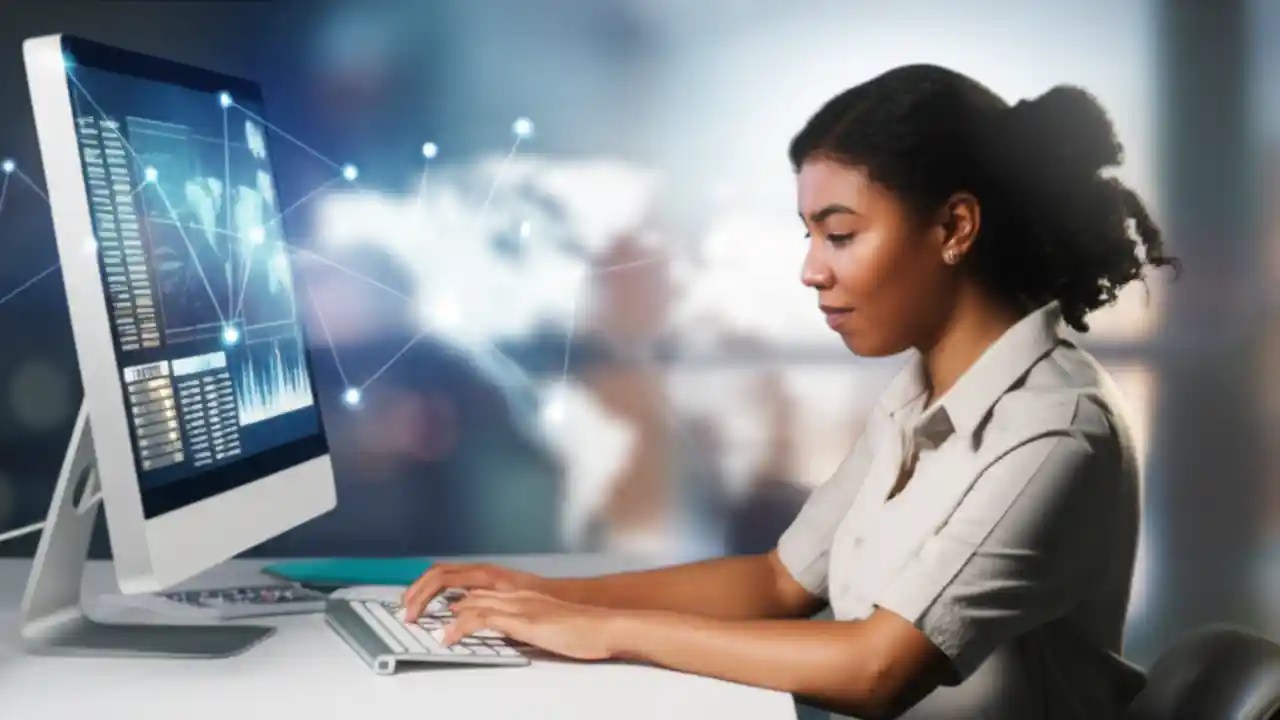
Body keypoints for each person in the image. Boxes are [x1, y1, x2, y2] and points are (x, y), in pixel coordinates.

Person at [399, 64, 1180, 719]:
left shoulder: (1052, 428)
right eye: (809, 235)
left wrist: (605, 631)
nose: (812, 269)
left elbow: (878, 667)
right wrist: (555, 597)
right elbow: (778, 582)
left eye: (840, 235)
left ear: (954, 228)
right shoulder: (921, 396)